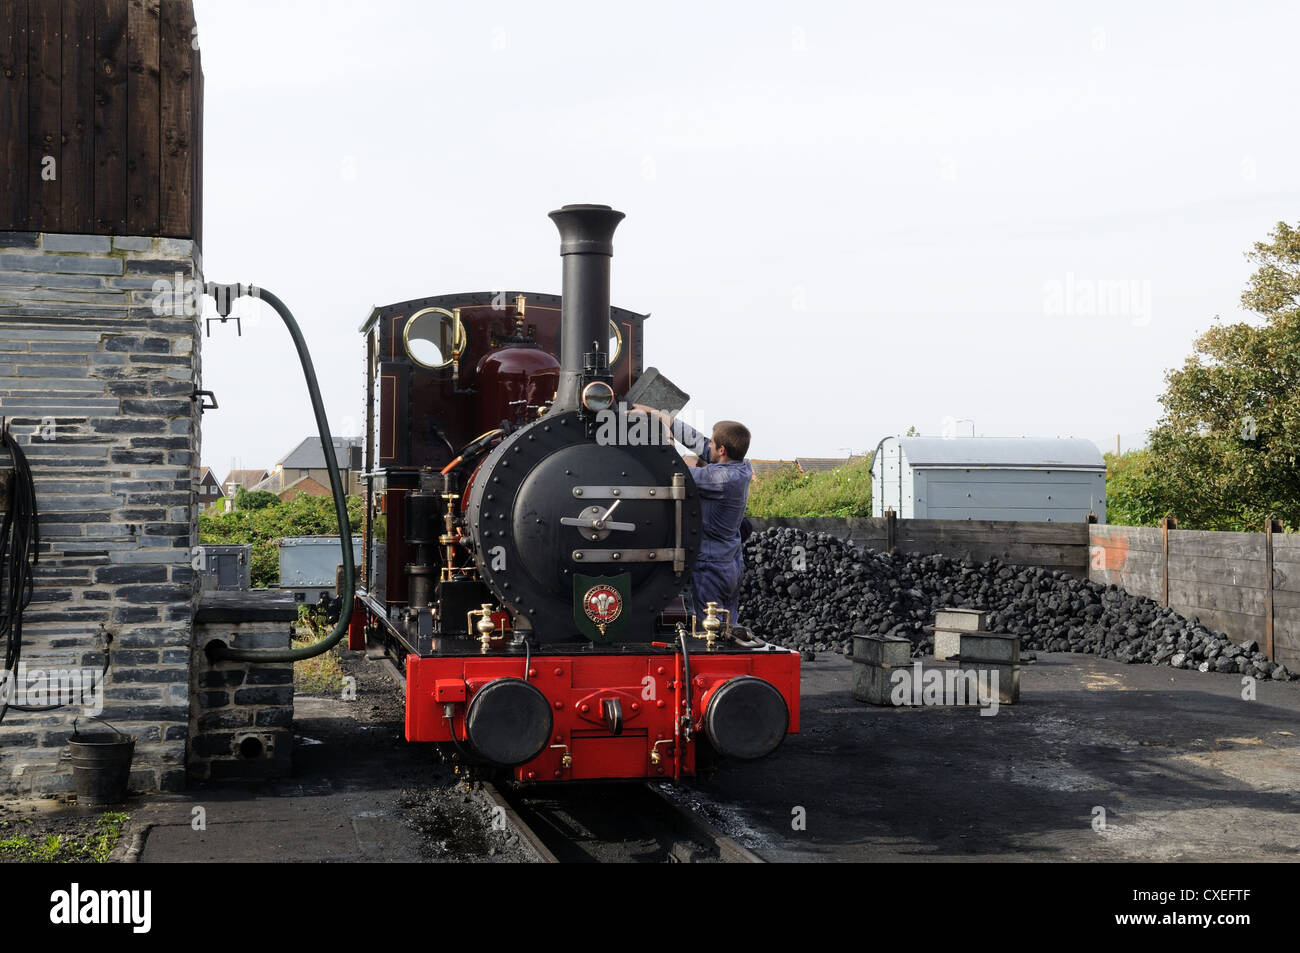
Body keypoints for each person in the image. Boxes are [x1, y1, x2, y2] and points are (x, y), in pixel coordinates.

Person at [630, 405, 752, 623]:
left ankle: (718, 655)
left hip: (712, 564)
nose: (708, 445)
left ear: (722, 450)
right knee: (727, 622)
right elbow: (699, 442)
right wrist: (656, 414)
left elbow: (675, 470)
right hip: (731, 559)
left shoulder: (720, 479)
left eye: (713, 443)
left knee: (711, 626)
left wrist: (665, 438)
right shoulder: (741, 468)